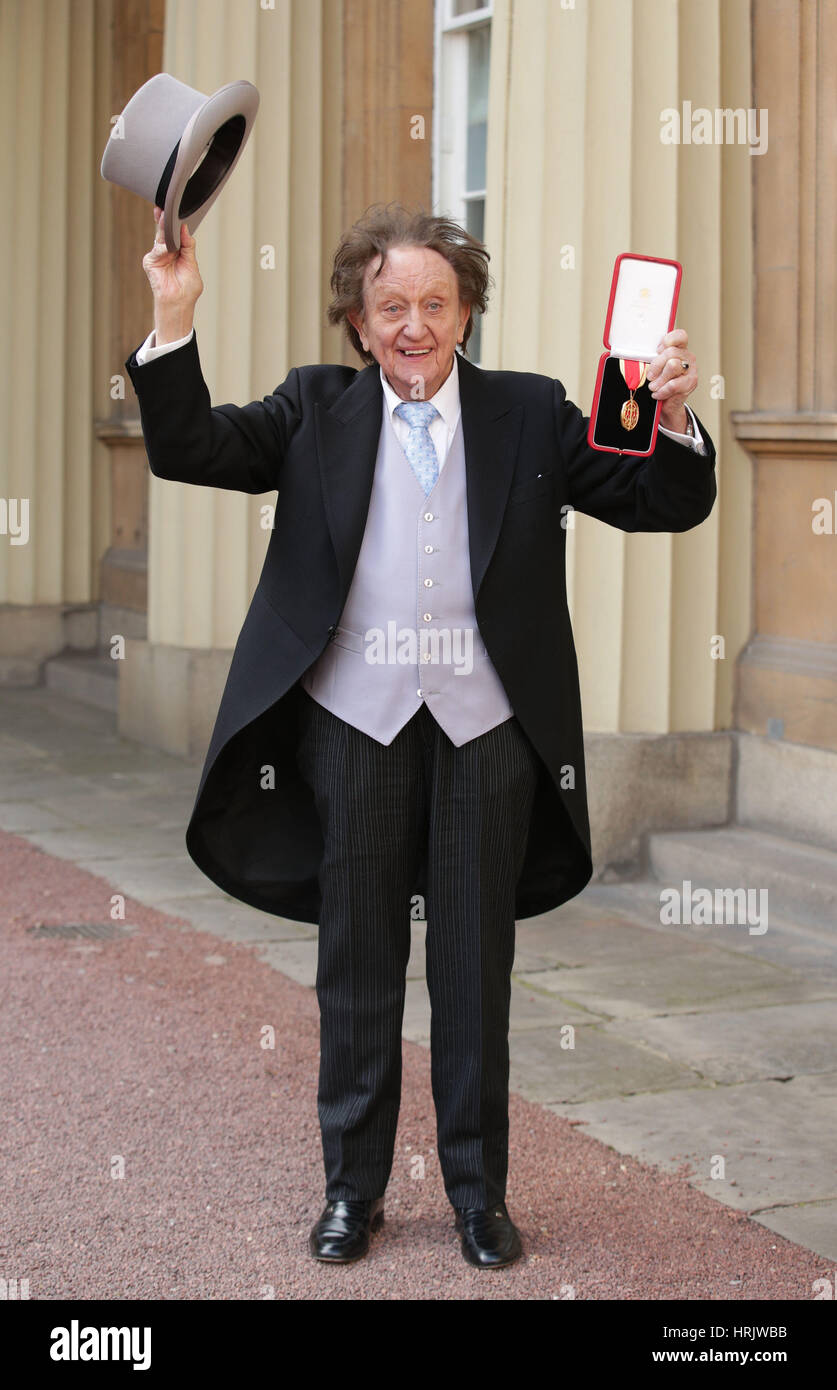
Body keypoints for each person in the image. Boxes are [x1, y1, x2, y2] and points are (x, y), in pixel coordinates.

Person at [126, 202, 716, 1270]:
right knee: (356, 972)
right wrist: (175, 311)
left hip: (488, 727)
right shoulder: (313, 411)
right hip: (355, 723)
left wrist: (671, 418)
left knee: (476, 971)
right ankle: (353, 1193)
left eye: (434, 304)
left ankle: (479, 1196)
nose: (413, 324)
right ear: (357, 320)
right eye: (390, 304)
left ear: (466, 312)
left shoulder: (533, 414)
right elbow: (190, 446)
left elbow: (656, 502)